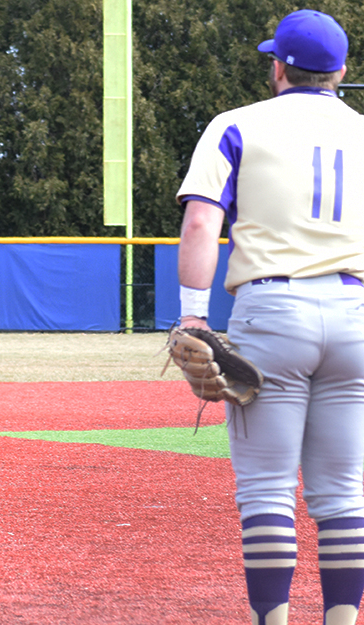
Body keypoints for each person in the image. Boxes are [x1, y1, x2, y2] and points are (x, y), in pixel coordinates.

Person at [175, 10, 364, 625]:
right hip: (356, 311)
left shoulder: (236, 125)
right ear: (341, 71)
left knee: (266, 491)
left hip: (273, 312)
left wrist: (194, 319)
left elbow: (203, 221)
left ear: (277, 67)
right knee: (343, 495)